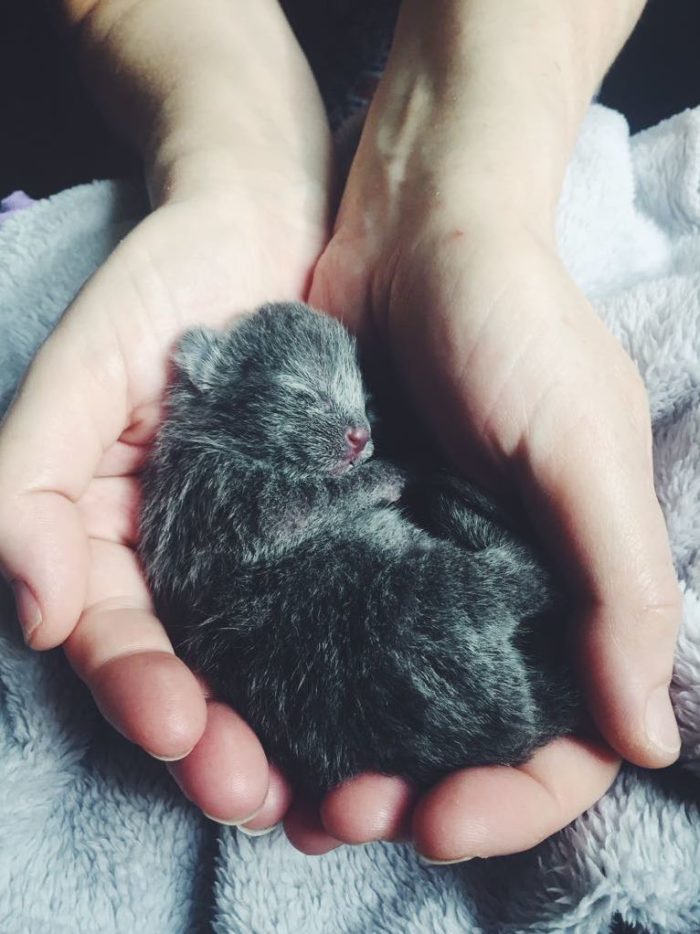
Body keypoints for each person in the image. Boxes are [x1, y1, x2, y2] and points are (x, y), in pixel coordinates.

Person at [0, 0, 681, 863]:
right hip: (348, 615)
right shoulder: (207, 470)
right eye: (311, 405)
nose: (356, 431)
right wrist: (244, 155)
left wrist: (457, 167)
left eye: (353, 399)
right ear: (214, 377)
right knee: (436, 614)